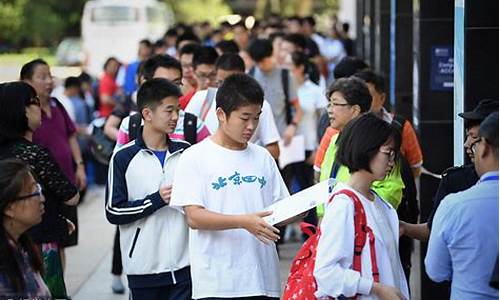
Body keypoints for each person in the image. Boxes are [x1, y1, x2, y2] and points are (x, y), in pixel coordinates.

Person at [170, 74, 291, 299]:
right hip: (217, 283)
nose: (251, 126)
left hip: (263, 280)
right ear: (221, 115)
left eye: (257, 118)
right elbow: (194, 218)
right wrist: (243, 222)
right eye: (244, 118)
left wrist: (304, 206)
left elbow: (280, 207)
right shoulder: (195, 156)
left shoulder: (263, 157)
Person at [105, 78, 191, 300]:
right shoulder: (123, 157)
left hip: (186, 267)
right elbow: (114, 211)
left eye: (178, 110)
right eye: (169, 110)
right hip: (144, 270)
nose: (175, 117)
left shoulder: (186, 153)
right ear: (147, 114)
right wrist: (155, 200)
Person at [314, 113, 408, 299]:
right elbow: (325, 272)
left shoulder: (379, 203)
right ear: (366, 148)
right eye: (387, 153)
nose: (392, 162)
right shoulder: (344, 204)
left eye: (394, 154)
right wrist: (376, 288)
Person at [0, 81, 79, 298]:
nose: (39, 107)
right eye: (34, 101)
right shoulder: (35, 154)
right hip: (38, 244)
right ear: (20, 110)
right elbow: (71, 196)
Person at [400, 98, 498, 242]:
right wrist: (403, 227)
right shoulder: (455, 180)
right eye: (467, 135)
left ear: (488, 144)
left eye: (474, 137)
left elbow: (436, 262)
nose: (466, 144)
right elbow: (433, 230)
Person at [425, 112, 499, 299]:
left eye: (476, 141)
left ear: (484, 149)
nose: (469, 145)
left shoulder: (454, 206)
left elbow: (436, 271)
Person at [21, 59, 86, 254]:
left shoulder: (57, 105)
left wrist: (79, 166)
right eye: (42, 77)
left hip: (65, 182)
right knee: (47, 245)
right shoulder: (27, 113)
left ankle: (59, 284)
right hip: (43, 190)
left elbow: (71, 135)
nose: (49, 81)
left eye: (50, 76)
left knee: (62, 242)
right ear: (26, 82)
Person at [185, 53, 280, 159]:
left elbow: (274, 149)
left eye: (254, 118)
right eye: (221, 82)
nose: (227, 89)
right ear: (220, 114)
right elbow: (183, 132)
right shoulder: (201, 99)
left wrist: (249, 157)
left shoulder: (260, 106)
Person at [114, 54, 211, 150]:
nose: (170, 90)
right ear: (146, 84)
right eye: (163, 84)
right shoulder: (131, 125)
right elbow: (119, 163)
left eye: (176, 83)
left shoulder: (193, 126)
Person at [0, 159, 51, 299]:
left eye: (39, 189)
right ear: (9, 208)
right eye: (35, 192)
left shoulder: (21, 246)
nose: (42, 199)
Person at [247, 38, 303, 146]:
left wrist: (292, 126)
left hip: (281, 140)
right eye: (257, 62)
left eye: (263, 61)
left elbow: (298, 109)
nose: (260, 65)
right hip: (256, 142)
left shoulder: (285, 76)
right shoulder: (251, 75)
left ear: (271, 54)